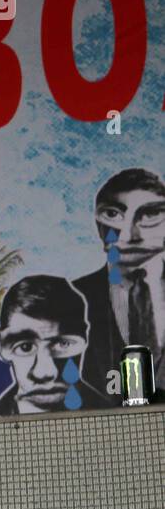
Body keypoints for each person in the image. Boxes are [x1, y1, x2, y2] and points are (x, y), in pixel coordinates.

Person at [73, 168, 165, 397]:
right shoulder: (72, 297)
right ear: (99, 226)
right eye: (113, 215)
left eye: (150, 215)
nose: (130, 234)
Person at [0, 276, 116, 414]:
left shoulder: (110, 416)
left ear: (85, 337)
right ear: (0, 345)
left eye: (63, 344)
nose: (45, 373)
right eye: (25, 347)